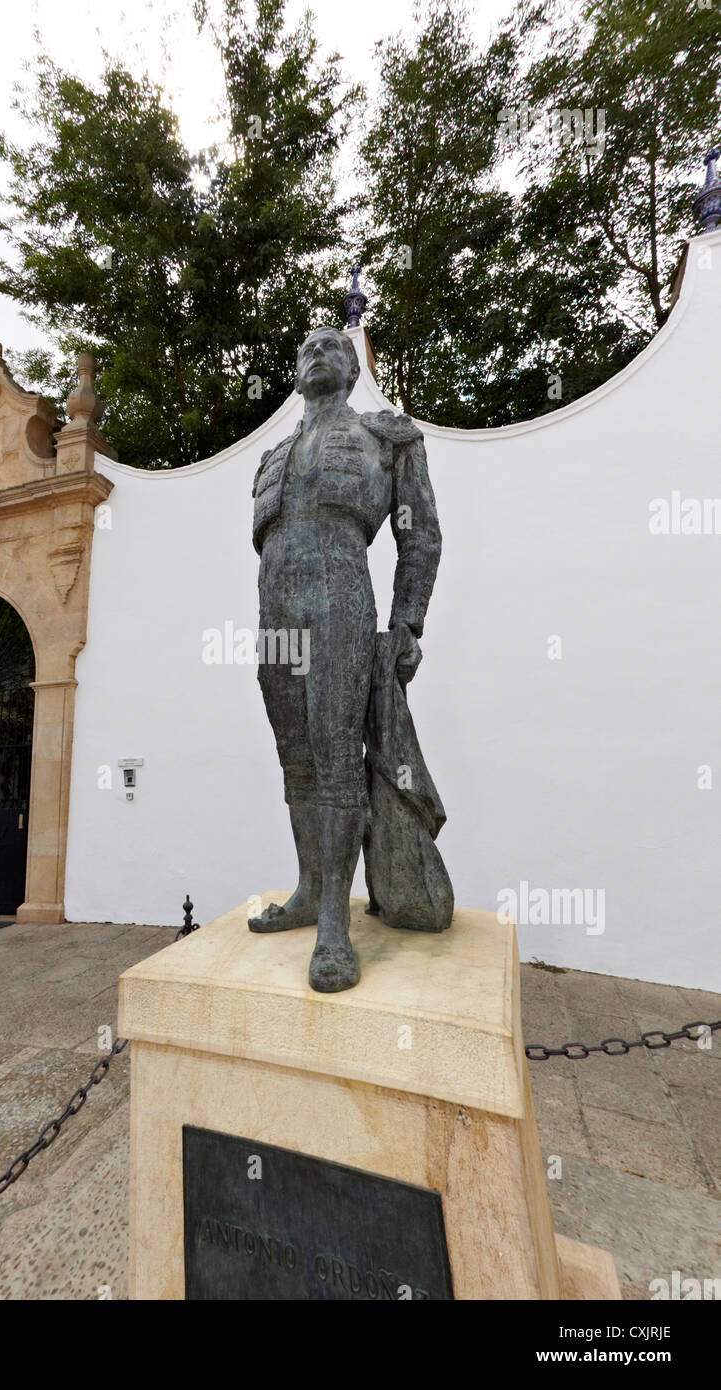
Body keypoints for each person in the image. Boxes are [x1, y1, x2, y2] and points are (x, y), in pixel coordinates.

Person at [248, 324, 451, 992]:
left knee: (337, 760)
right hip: (275, 605)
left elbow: (419, 538)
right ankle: (309, 889)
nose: (315, 353)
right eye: (304, 347)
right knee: (295, 757)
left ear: (355, 365)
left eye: (331, 346)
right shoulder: (274, 451)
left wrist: (405, 624)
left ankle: (335, 923)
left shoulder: (386, 438)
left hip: (341, 594)